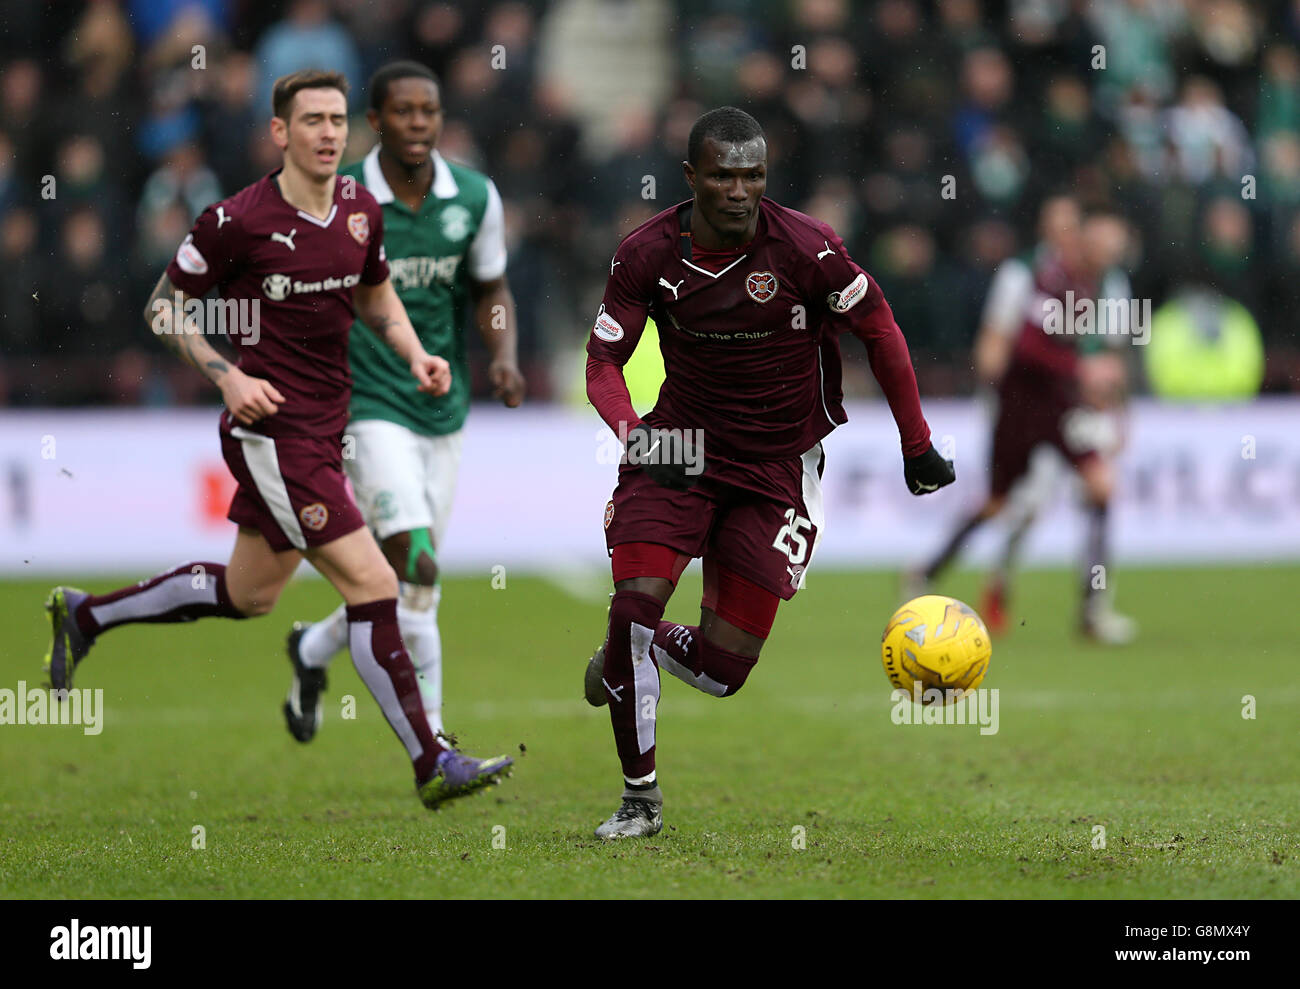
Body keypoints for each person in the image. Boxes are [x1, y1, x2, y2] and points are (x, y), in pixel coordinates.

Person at [41, 69, 512, 807]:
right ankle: (432, 760)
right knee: (378, 581)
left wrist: (414, 352)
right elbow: (164, 309)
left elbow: (373, 291)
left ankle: (85, 612)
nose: (328, 134)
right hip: (272, 434)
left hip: (329, 428)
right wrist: (227, 377)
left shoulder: (360, 207)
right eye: (312, 120)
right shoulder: (237, 221)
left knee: (249, 592)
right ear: (279, 132)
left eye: (336, 120)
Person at [581, 106, 954, 839]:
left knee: (724, 669)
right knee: (634, 604)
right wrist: (634, 437)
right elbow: (602, 364)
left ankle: (636, 650)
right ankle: (640, 797)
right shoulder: (646, 253)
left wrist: (918, 443)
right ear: (692, 177)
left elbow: (878, 326)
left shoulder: (807, 249)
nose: (739, 190)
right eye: (722, 175)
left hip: (779, 464)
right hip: (678, 451)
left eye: (752, 175)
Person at [281, 61, 525, 747]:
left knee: (401, 581)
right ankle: (436, 741)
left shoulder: (474, 195)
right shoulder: (342, 195)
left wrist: (502, 356)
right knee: (419, 564)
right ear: (376, 121)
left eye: (430, 111)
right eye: (404, 111)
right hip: (365, 405)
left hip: (443, 405)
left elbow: (491, 288)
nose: (419, 123)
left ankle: (311, 647)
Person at [913, 196, 1136, 643]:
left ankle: (1093, 610)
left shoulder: (1110, 284)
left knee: (1099, 488)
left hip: (1072, 408)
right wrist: (999, 399)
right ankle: (936, 572)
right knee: (1010, 505)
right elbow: (1000, 346)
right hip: (1021, 405)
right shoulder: (1028, 277)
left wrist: (1116, 412)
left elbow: (1113, 358)